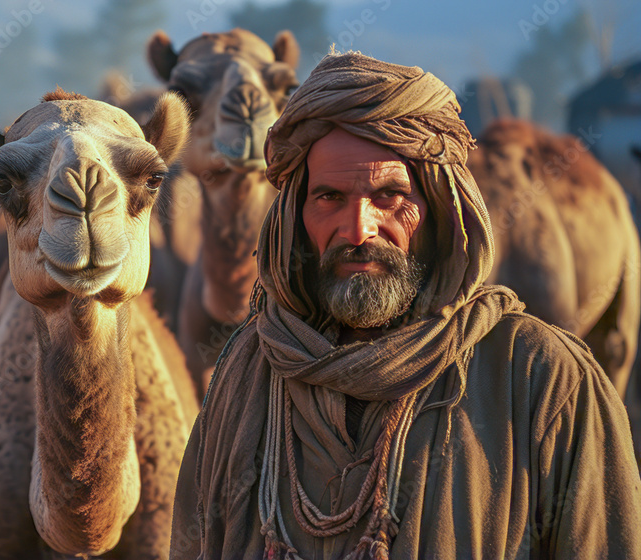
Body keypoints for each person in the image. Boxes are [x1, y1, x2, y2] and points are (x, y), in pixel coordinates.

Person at [169, 51, 641, 560]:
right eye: (328, 197)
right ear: (294, 214)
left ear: (441, 207)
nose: (358, 230)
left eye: (392, 197)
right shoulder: (247, 373)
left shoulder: (543, 382)